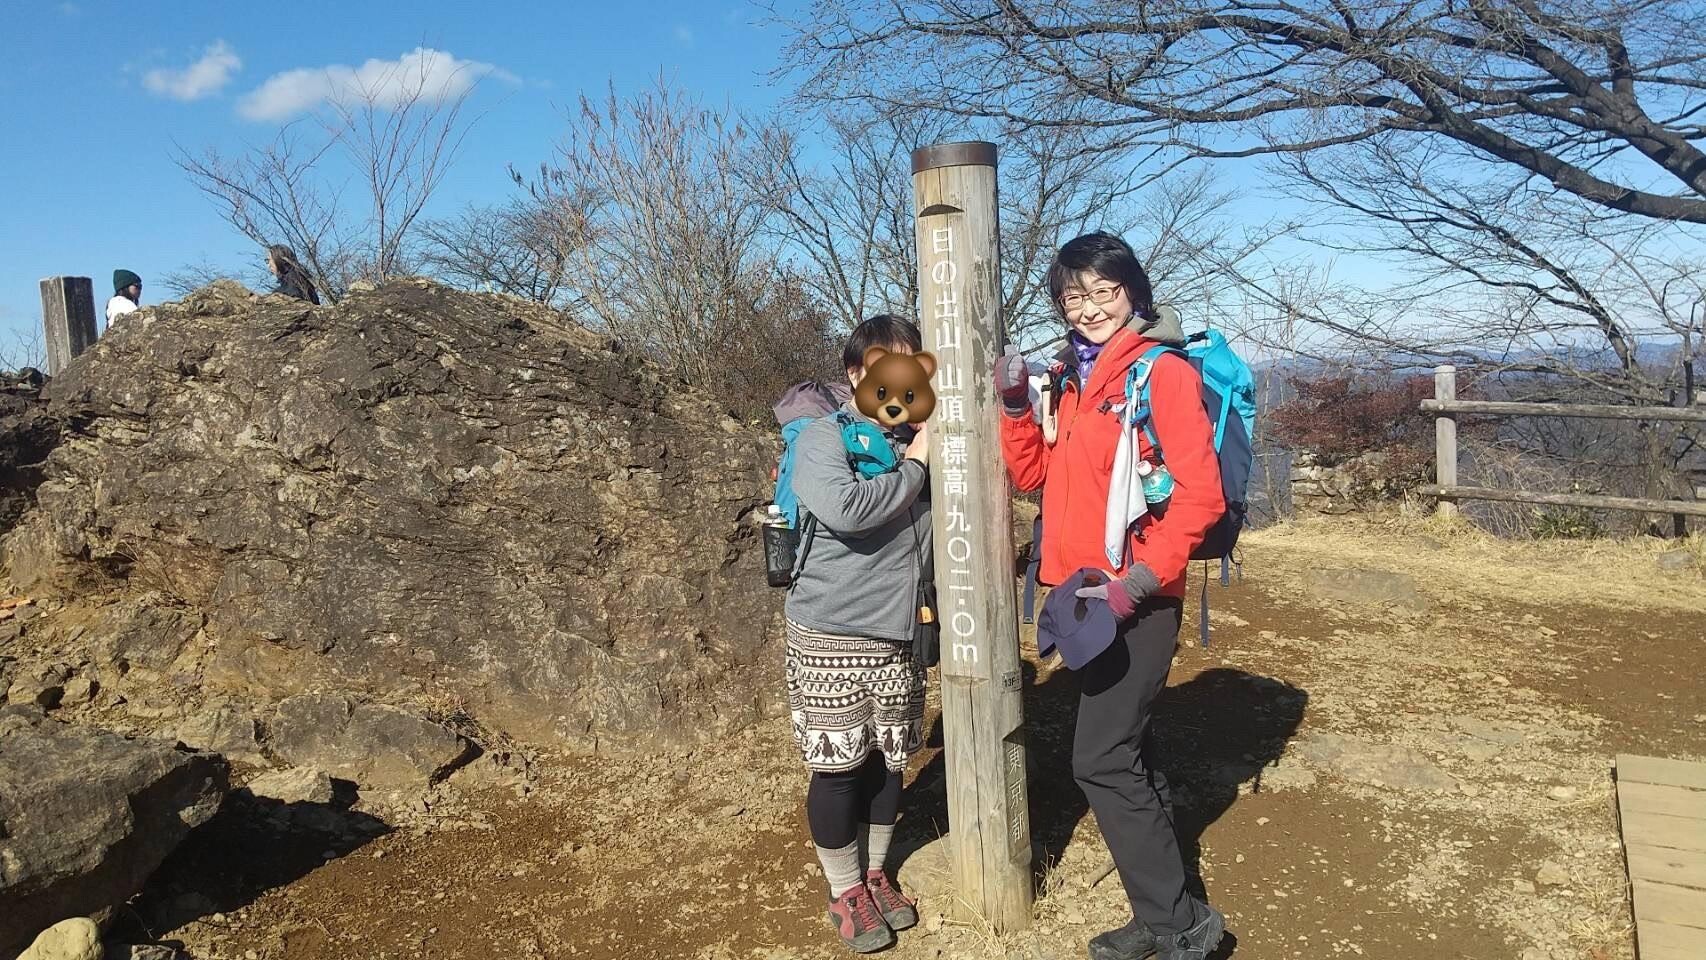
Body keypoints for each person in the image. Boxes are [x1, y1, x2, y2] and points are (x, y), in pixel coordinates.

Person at [995, 232, 1227, 960]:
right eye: (1074, 295)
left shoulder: (1161, 375)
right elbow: (1039, 478)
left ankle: (1178, 925)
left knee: (1100, 759)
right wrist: (1013, 409)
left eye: (1102, 291)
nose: (1089, 306)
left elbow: (1200, 499)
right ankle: (1169, 907)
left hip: (1134, 596)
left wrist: (1135, 584)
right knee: (1130, 749)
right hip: (1081, 592)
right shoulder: (1074, 375)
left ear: (1132, 291)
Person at [785, 314, 933, 954]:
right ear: (856, 375)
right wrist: (919, 468)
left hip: (898, 628)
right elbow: (845, 510)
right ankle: (843, 890)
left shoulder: (914, 439)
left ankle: (875, 874)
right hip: (831, 626)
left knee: (889, 759)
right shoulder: (824, 438)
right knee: (840, 766)